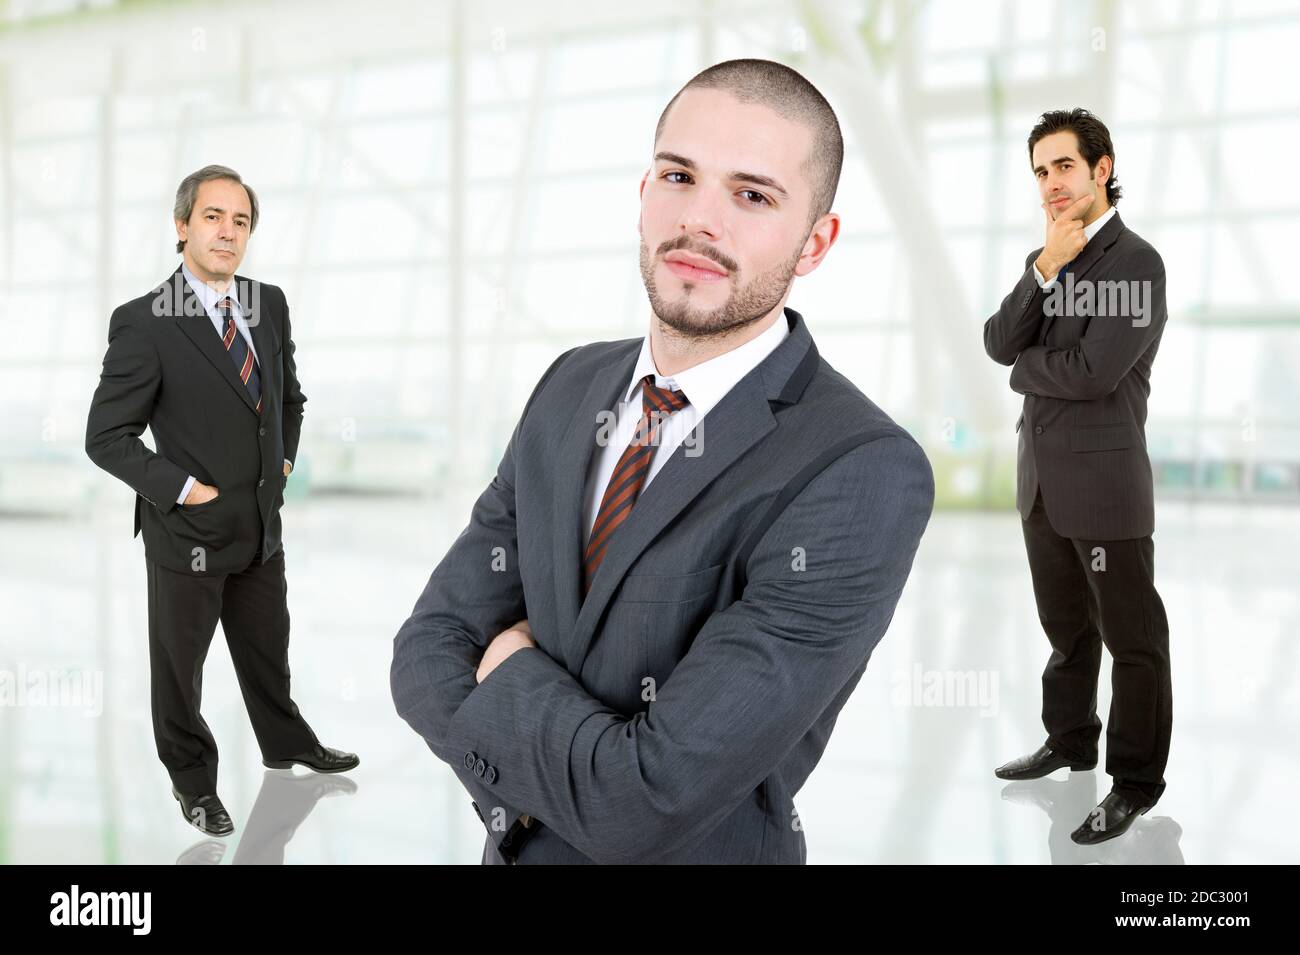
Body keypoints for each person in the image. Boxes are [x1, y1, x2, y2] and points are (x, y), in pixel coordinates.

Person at [391, 59, 934, 864]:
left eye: (752, 195)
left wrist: (505, 673)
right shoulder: (569, 385)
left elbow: (646, 800)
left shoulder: (861, 467)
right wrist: (556, 780)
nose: (701, 221)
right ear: (644, 194)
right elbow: (426, 649)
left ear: (815, 243)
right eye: (680, 176)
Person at [85, 165, 357, 837]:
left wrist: (284, 460)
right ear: (182, 227)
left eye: (240, 221)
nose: (227, 232)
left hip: (261, 524)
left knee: (269, 647)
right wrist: (183, 488)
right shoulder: (145, 322)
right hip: (189, 532)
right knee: (181, 670)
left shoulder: (268, 303)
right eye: (213, 217)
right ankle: (192, 780)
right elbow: (106, 436)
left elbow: (289, 397)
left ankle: (285, 741)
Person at [984, 109, 1172, 845]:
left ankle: (1135, 780)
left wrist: (1026, 370)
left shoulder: (1137, 262)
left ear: (1102, 167)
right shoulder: (1049, 257)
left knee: (1132, 637)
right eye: (1040, 171)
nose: (1051, 183)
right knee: (1066, 630)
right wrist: (1043, 270)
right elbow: (1000, 339)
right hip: (1042, 482)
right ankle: (1070, 740)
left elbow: (1094, 372)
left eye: (1063, 165)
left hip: (1105, 485)